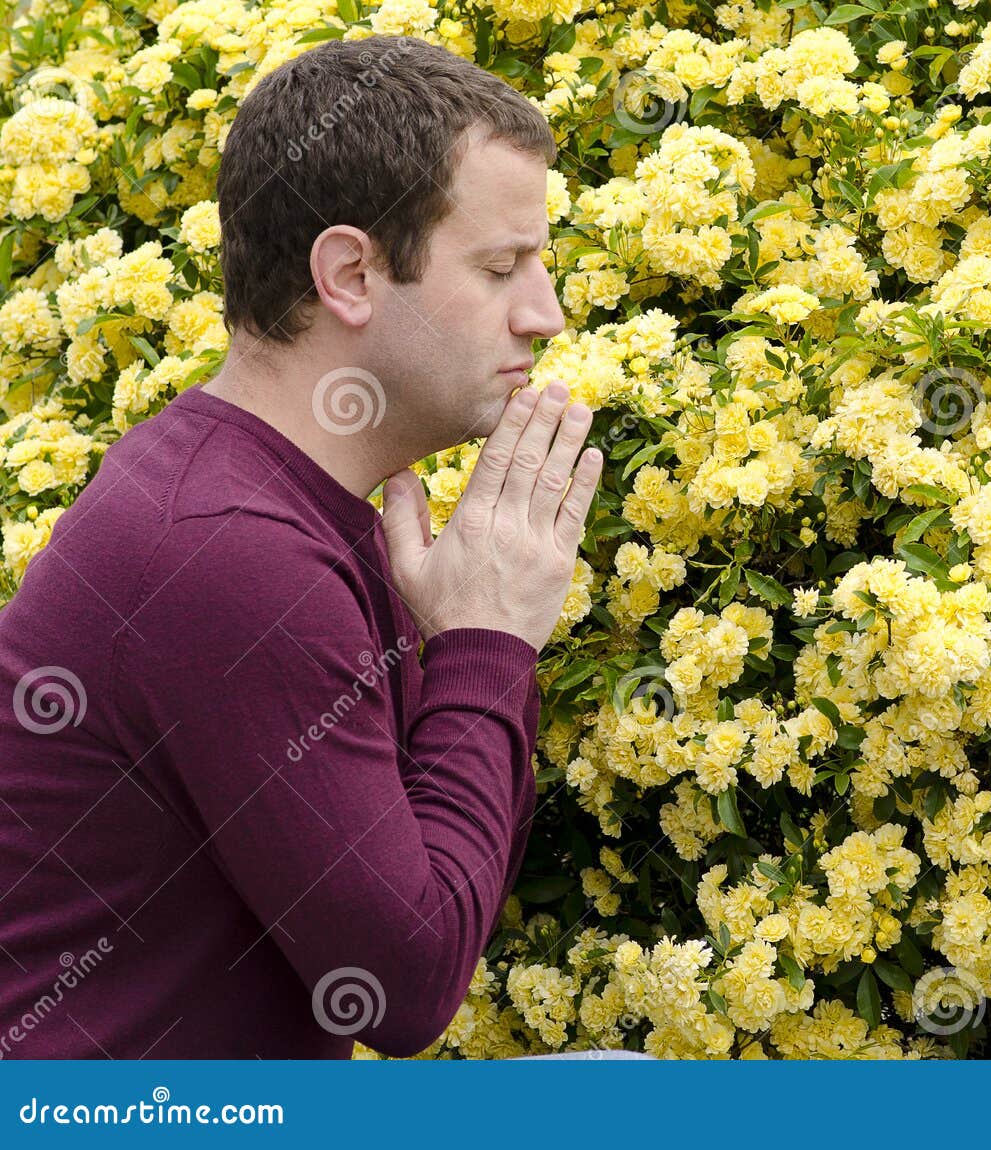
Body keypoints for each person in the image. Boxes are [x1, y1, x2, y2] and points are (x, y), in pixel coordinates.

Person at [0, 34, 608, 1058]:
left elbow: (420, 891)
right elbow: (404, 986)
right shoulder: (225, 555)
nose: (545, 315)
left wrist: (450, 643)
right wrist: (485, 647)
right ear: (350, 275)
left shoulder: (253, 497)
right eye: (502, 266)